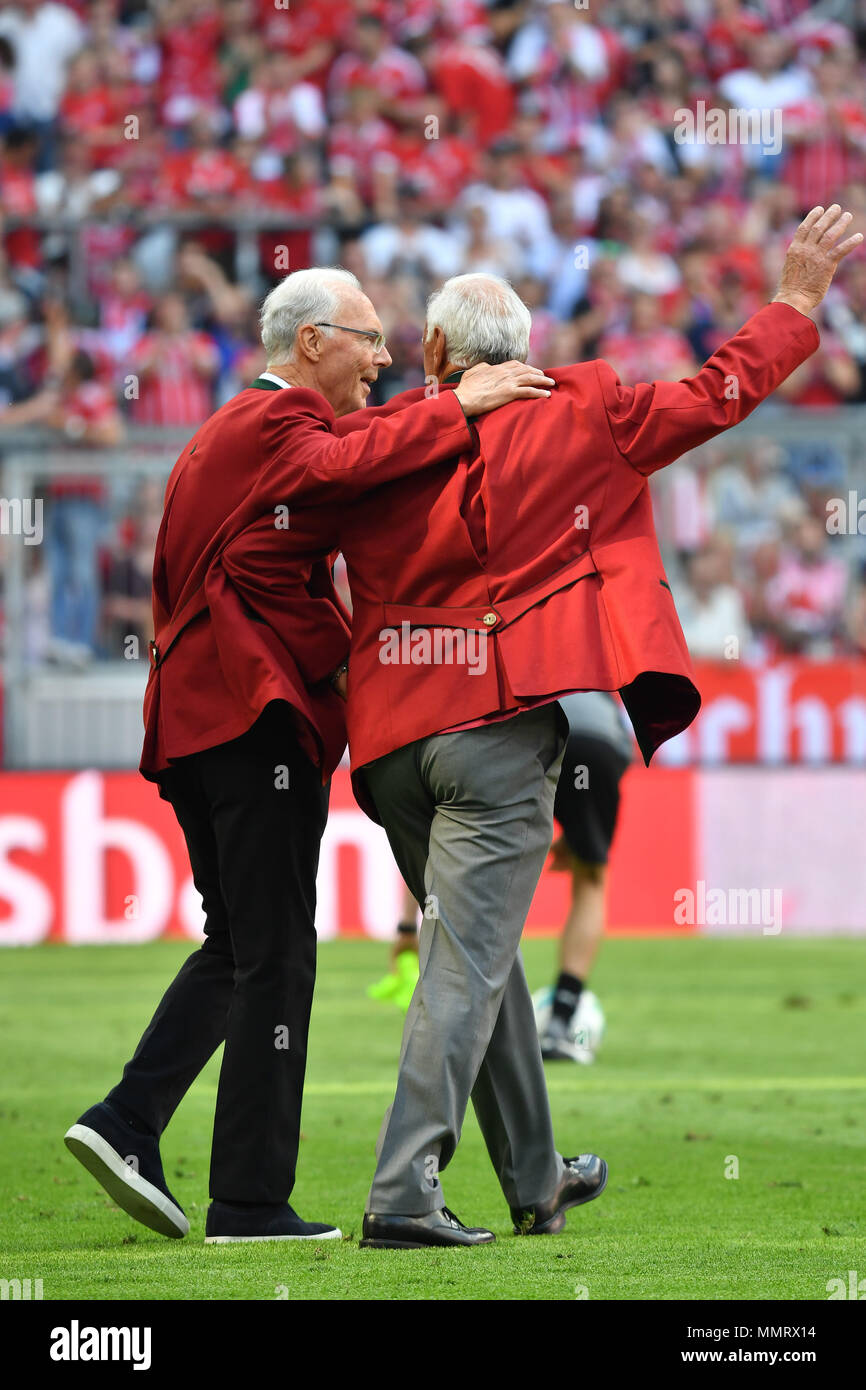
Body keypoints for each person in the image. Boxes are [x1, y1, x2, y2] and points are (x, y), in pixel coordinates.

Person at [218, 204, 860, 1250]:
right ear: (522, 350)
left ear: (430, 351)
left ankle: (531, 1177)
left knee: (480, 954)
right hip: (494, 726)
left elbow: (271, 541)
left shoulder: (369, 437)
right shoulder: (584, 406)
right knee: (467, 962)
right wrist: (789, 303)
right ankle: (402, 1192)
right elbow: (712, 398)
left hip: (388, 746)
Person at [62, 266, 554, 1245]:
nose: (382, 356)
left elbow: (338, 477)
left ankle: (129, 1121)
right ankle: (245, 1200)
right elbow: (341, 470)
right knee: (276, 954)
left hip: (199, 722)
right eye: (368, 337)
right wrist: (458, 401)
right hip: (247, 724)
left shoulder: (234, 434)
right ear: (310, 341)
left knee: (243, 944)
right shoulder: (273, 426)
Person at [533, 690, 634, 1064]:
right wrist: (578, 837)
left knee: (495, 872)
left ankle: (483, 1018)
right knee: (591, 881)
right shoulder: (605, 696)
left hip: (533, 731)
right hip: (598, 743)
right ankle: (561, 1021)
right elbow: (606, 761)